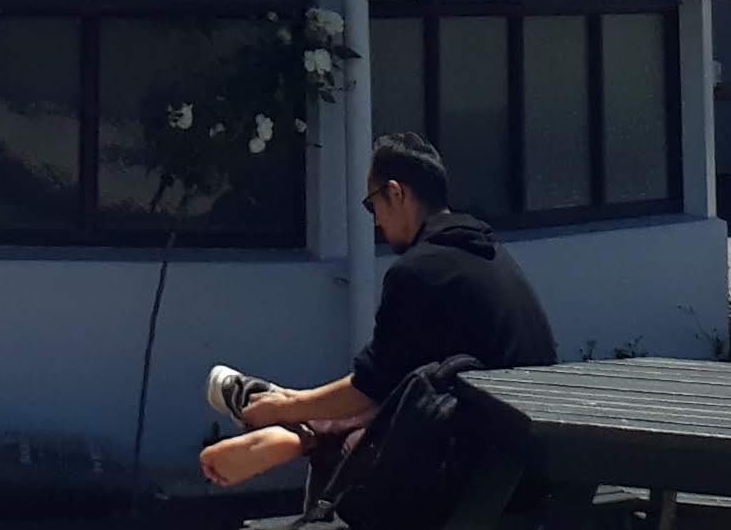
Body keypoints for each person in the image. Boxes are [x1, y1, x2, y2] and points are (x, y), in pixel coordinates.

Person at [199, 133, 557, 492]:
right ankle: (293, 423)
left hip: (481, 483)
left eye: (373, 206)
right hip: (533, 460)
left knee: (360, 447)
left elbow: (369, 387)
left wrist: (287, 407)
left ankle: (297, 431)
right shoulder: (491, 255)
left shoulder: (419, 271)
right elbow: (396, 377)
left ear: (396, 193)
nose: (374, 222)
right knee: (397, 401)